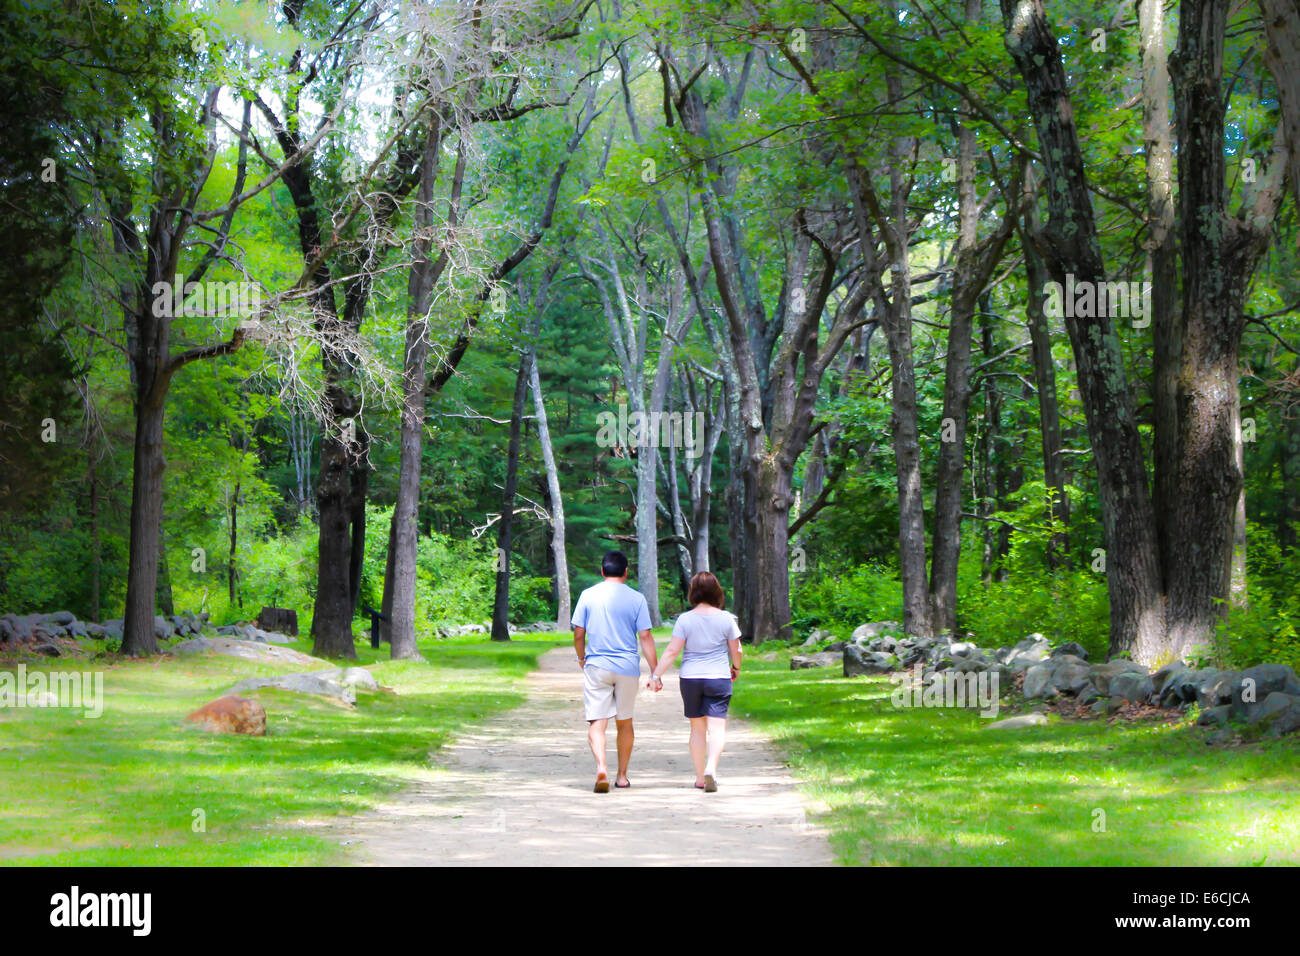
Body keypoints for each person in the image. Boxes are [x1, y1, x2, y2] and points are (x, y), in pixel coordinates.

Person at [572, 550, 660, 792]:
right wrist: (655, 672)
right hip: (627, 667)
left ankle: (602, 768)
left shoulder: (587, 595)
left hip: (597, 665)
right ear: (626, 572)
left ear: (602, 571)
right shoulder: (637, 598)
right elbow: (645, 636)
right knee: (625, 722)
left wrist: (581, 657)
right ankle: (622, 776)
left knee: (597, 721)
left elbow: (578, 633)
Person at [649, 571, 742, 792]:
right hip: (718, 677)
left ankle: (700, 777)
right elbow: (737, 649)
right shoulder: (726, 618)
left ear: (693, 592)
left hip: (691, 678)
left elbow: (672, 651)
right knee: (717, 728)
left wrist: (656, 675)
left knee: (697, 729)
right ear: (717, 592)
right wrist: (736, 667)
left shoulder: (685, 619)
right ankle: (711, 768)